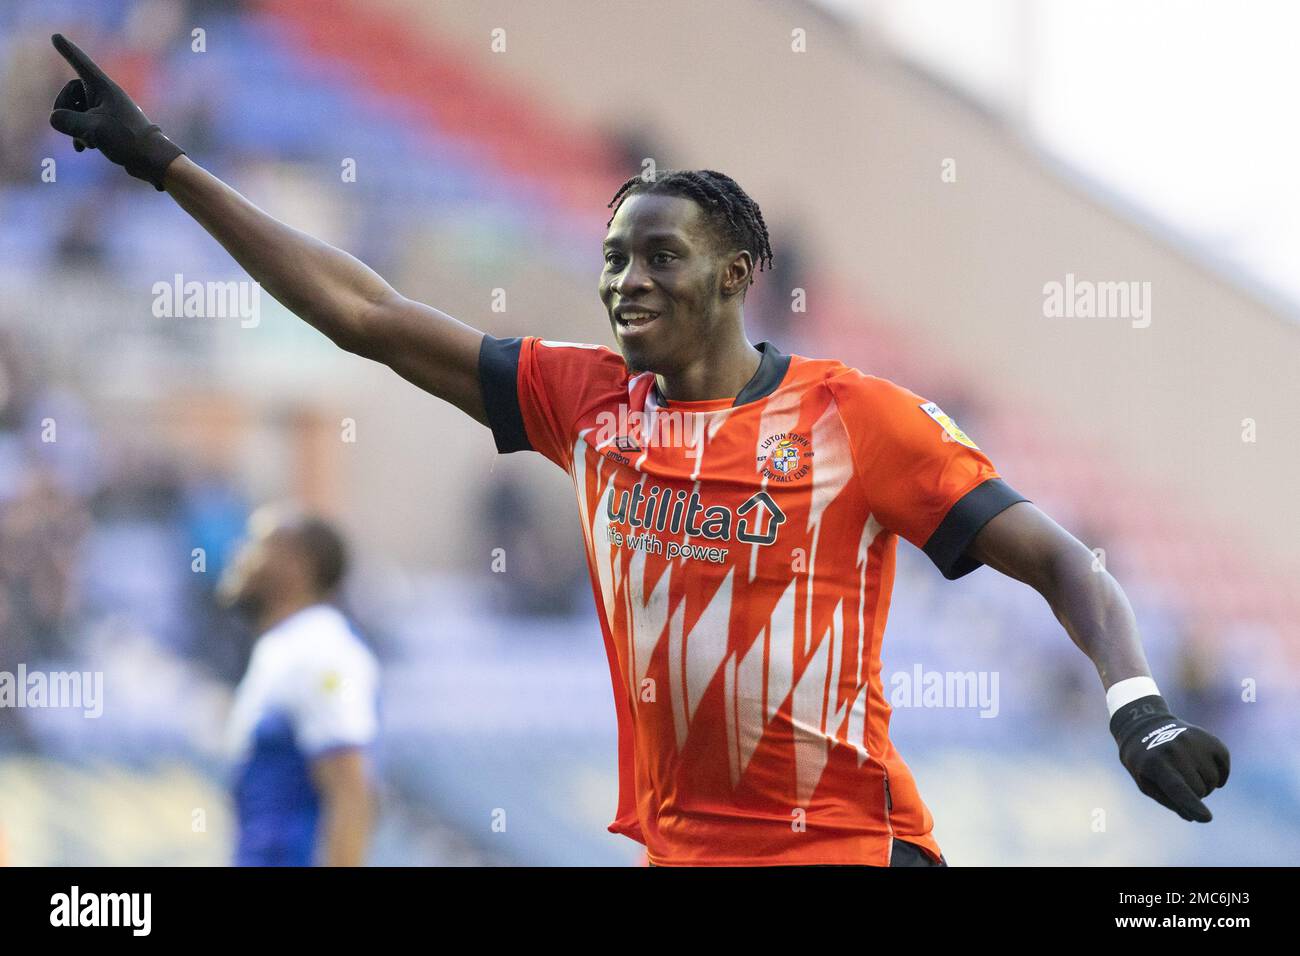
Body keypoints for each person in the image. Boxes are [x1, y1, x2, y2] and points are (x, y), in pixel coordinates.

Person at [47, 34, 1229, 867]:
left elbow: (1067, 559)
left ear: (733, 273)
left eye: (658, 255)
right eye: (614, 256)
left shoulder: (855, 418)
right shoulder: (586, 403)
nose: (626, 279)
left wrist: (1135, 705)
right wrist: (166, 163)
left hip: (845, 851)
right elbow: (365, 314)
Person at [218, 504, 379, 866]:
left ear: (297, 566)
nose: (239, 556)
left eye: (257, 544)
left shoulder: (321, 648)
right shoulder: (283, 647)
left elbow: (351, 795)